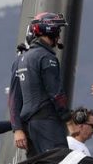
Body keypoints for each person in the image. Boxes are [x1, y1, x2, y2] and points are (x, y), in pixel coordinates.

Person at [10, 11, 71, 156]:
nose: (59, 35)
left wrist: (17, 128)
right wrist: (68, 119)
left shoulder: (20, 59)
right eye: (58, 30)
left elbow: (13, 99)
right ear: (51, 30)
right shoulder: (46, 57)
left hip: (28, 127)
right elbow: (56, 93)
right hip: (47, 123)